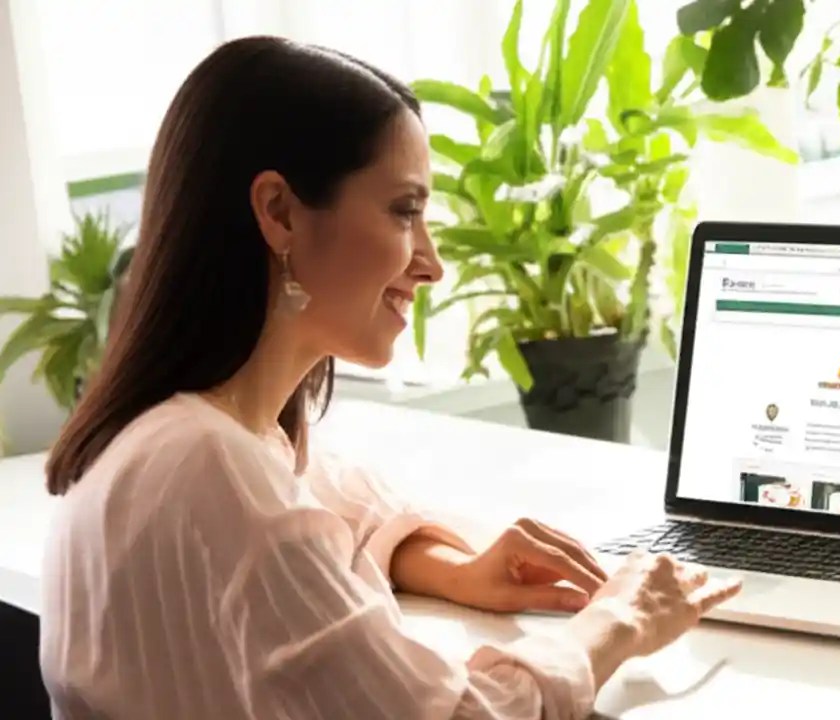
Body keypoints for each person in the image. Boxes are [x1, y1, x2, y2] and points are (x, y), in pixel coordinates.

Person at [40, 36, 740, 720]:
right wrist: (617, 621)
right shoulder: (218, 472)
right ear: (280, 212)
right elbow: (467, 715)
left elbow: (331, 499)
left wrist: (446, 565)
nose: (431, 263)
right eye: (405, 211)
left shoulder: (181, 434)